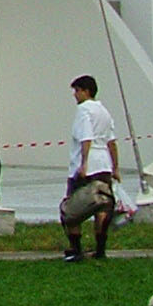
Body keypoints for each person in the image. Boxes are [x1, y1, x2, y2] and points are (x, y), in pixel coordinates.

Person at [63, 74, 121, 262]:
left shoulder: (83, 110)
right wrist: (115, 167)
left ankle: (76, 249)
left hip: (88, 165)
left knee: (72, 208)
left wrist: (84, 164)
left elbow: (86, 138)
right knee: (102, 206)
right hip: (104, 165)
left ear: (86, 91)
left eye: (77, 90)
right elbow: (112, 142)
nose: (75, 94)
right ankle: (100, 249)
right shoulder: (104, 111)